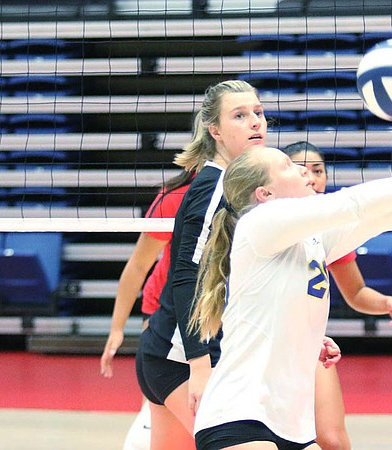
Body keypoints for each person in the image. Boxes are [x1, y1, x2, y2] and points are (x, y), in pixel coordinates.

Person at [189, 146, 392, 449]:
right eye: (289, 167)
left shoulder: (312, 240)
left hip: (292, 426)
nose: (305, 170)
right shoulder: (259, 222)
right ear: (265, 194)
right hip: (238, 417)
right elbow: (353, 203)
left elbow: (375, 218)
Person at [135, 79, 268, 450]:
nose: (256, 122)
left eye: (258, 113)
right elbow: (186, 278)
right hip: (180, 359)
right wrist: (199, 366)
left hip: (168, 354)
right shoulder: (215, 186)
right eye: (240, 116)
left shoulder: (245, 187)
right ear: (215, 131)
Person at [282, 141, 392, 450]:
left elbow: (355, 291)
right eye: (303, 170)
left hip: (308, 342)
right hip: (264, 345)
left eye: (319, 170)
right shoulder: (265, 223)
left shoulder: (327, 230)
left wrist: (386, 303)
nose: (312, 177)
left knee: (334, 440)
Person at [99, 169, 196, 450]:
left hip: (217, 309)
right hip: (164, 308)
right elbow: (138, 265)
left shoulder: (256, 188)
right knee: (158, 404)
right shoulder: (176, 196)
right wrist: (117, 329)